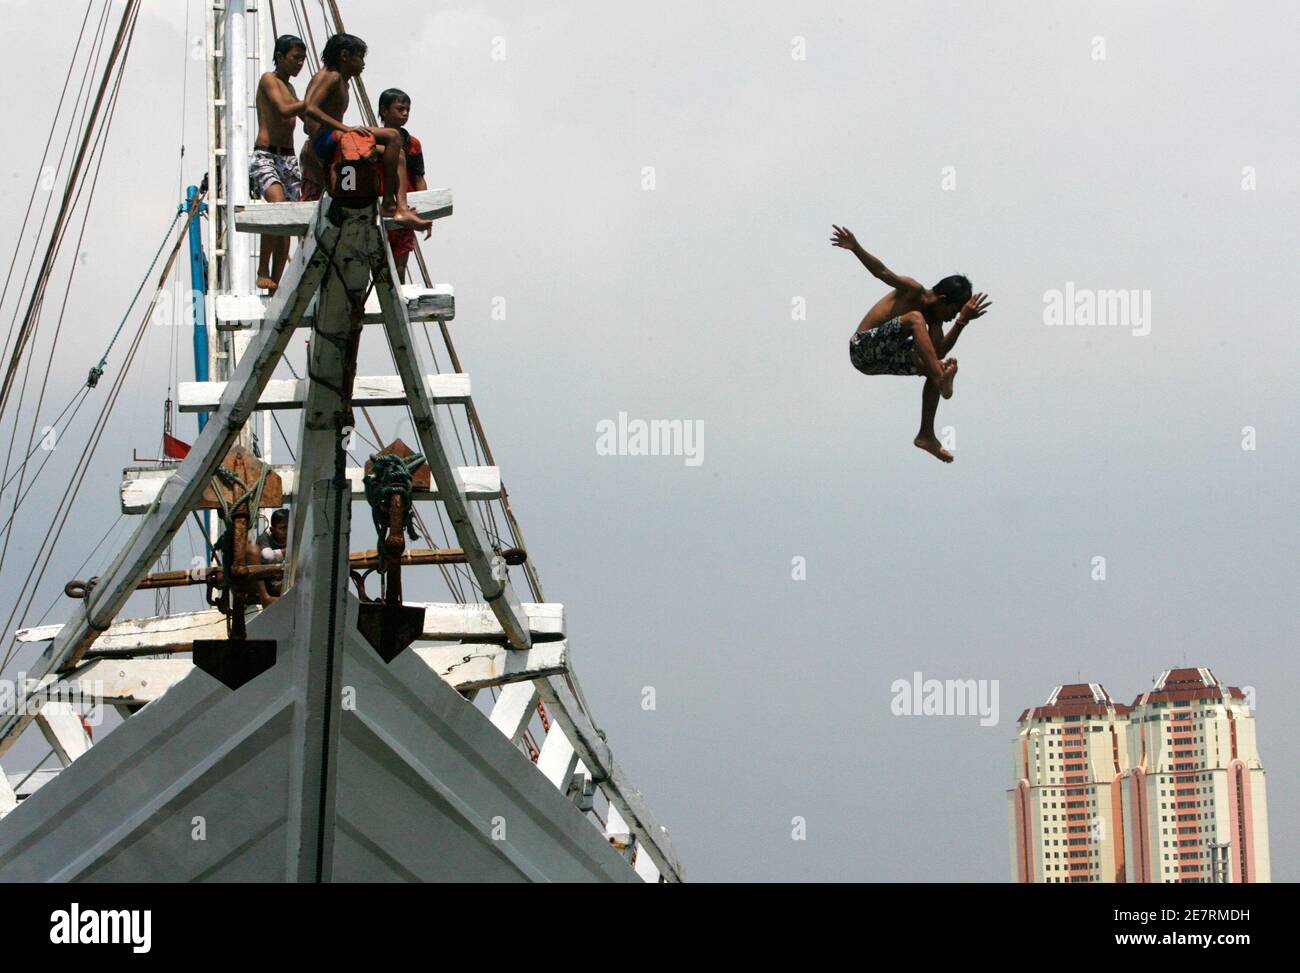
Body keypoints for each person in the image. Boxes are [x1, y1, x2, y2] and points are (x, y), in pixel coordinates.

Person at [831, 225, 991, 463]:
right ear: (943, 299)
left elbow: (937, 352)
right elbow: (882, 272)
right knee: (916, 321)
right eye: (954, 311)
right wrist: (856, 248)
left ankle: (926, 435)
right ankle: (941, 380)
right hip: (862, 348)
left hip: (881, 360)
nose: (950, 316)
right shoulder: (914, 292)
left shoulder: (935, 322)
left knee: (935, 362)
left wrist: (962, 322)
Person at [299, 33, 431, 230]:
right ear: (345, 55)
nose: (363, 63)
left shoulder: (339, 80)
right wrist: (345, 129)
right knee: (393, 136)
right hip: (327, 139)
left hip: (330, 137)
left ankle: (396, 206)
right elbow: (310, 108)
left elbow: (308, 112)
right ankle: (391, 205)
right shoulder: (332, 76)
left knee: (399, 155)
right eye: (359, 57)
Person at [251, 35, 308, 293]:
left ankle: (275, 281)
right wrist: (313, 102)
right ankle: (263, 269)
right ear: (281, 56)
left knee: (288, 219)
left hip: (288, 157)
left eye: (302, 59)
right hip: (266, 155)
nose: (300, 64)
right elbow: (284, 110)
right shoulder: (269, 80)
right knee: (276, 207)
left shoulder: (293, 89)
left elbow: (305, 119)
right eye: (295, 58)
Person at [376, 87, 431, 281]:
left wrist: (425, 211)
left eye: (408, 109)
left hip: (405, 208)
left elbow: (418, 178)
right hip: (379, 208)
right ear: (384, 111)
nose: (405, 113)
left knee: (400, 266)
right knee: (376, 265)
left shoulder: (412, 143)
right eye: (400, 109)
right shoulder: (371, 140)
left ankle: (400, 300)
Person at [246, 508, 289, 605]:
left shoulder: (293, 537)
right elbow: (267, 556)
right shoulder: (265, 538)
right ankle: (265, 598)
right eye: (283, 528)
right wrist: (289, 551)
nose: (287, 532)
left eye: (289, 528)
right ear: (272, 529)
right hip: (266, 582)